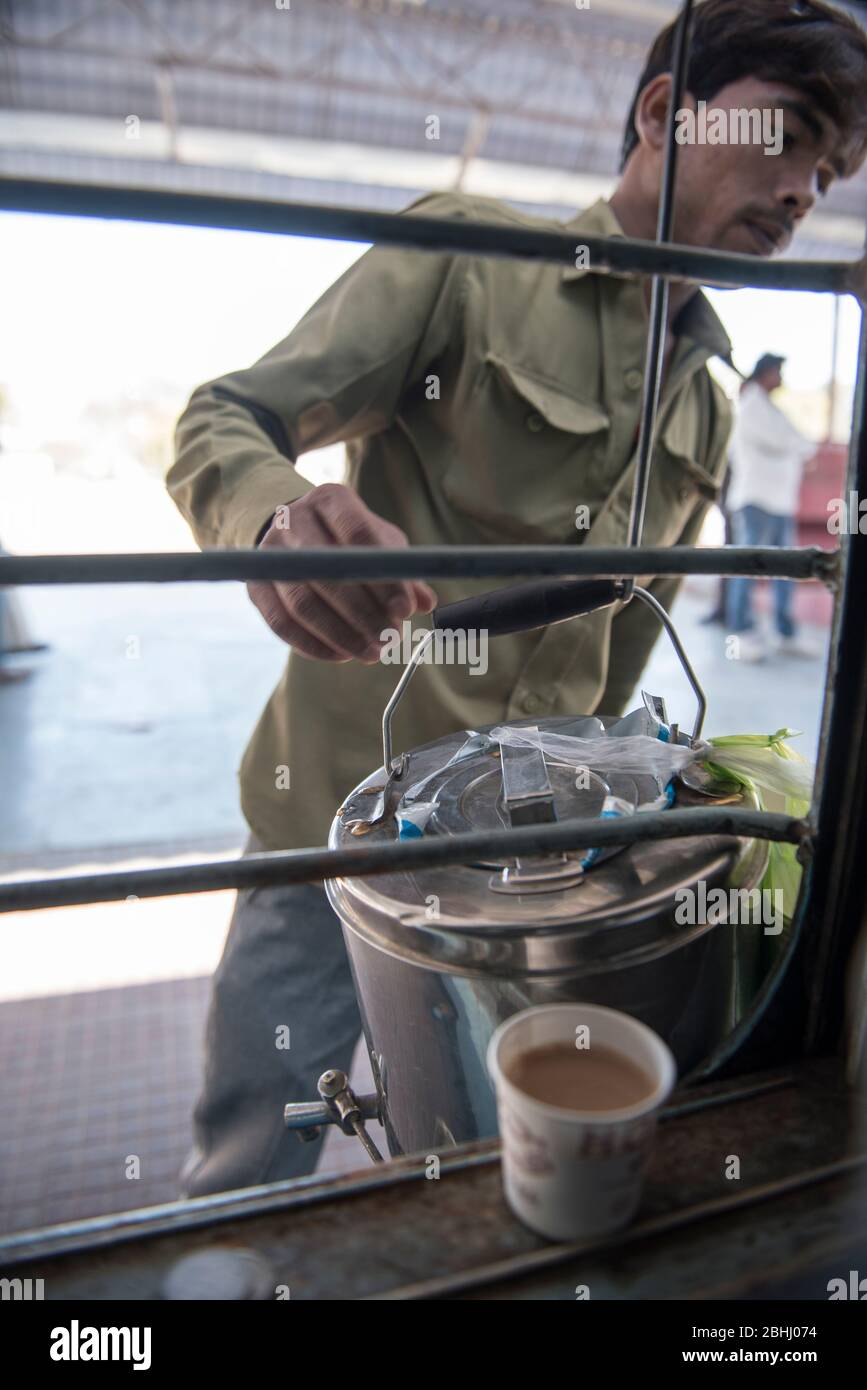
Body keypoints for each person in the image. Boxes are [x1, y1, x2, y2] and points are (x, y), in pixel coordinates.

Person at [166, 0, 867, 1197]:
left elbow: (617, 655)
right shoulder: (473, 261)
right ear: (664, 111)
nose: (807, 188)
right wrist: (279, 518)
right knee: (251, 1160)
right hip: (340, 833)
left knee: (504, 1160)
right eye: (791, 133)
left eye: (833, 169)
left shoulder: (702, 401)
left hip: (546, 873)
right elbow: (225, 416)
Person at [725, 353, 818, 661]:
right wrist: (798, 446)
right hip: (757, 500)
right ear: (765, 373)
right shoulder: (752, 405)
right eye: (777, 372)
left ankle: (785, 632)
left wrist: (799, 445)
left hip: (779, 502)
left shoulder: (768, 407)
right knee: (747, 567)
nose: (781, 378)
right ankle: (742, 635)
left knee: (786, 571)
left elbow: (800, 442)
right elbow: (788, 442)